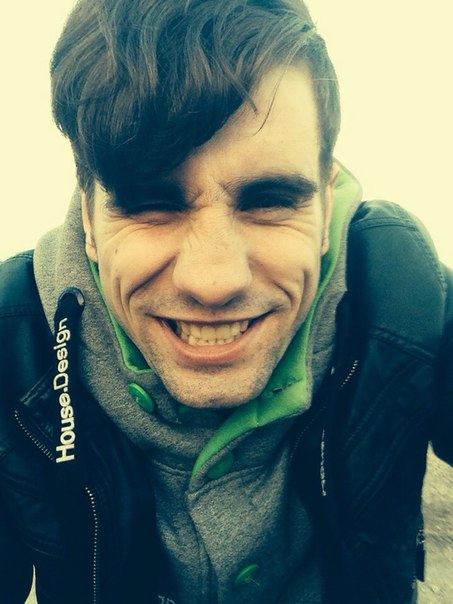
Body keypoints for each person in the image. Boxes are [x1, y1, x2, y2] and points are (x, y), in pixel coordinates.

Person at [0, 0, 451, 602]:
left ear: (325, 207)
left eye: (270, 200)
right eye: (151, 204)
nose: (213, 281)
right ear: (88, 219)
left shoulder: (409, 301)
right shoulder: (12, 344)